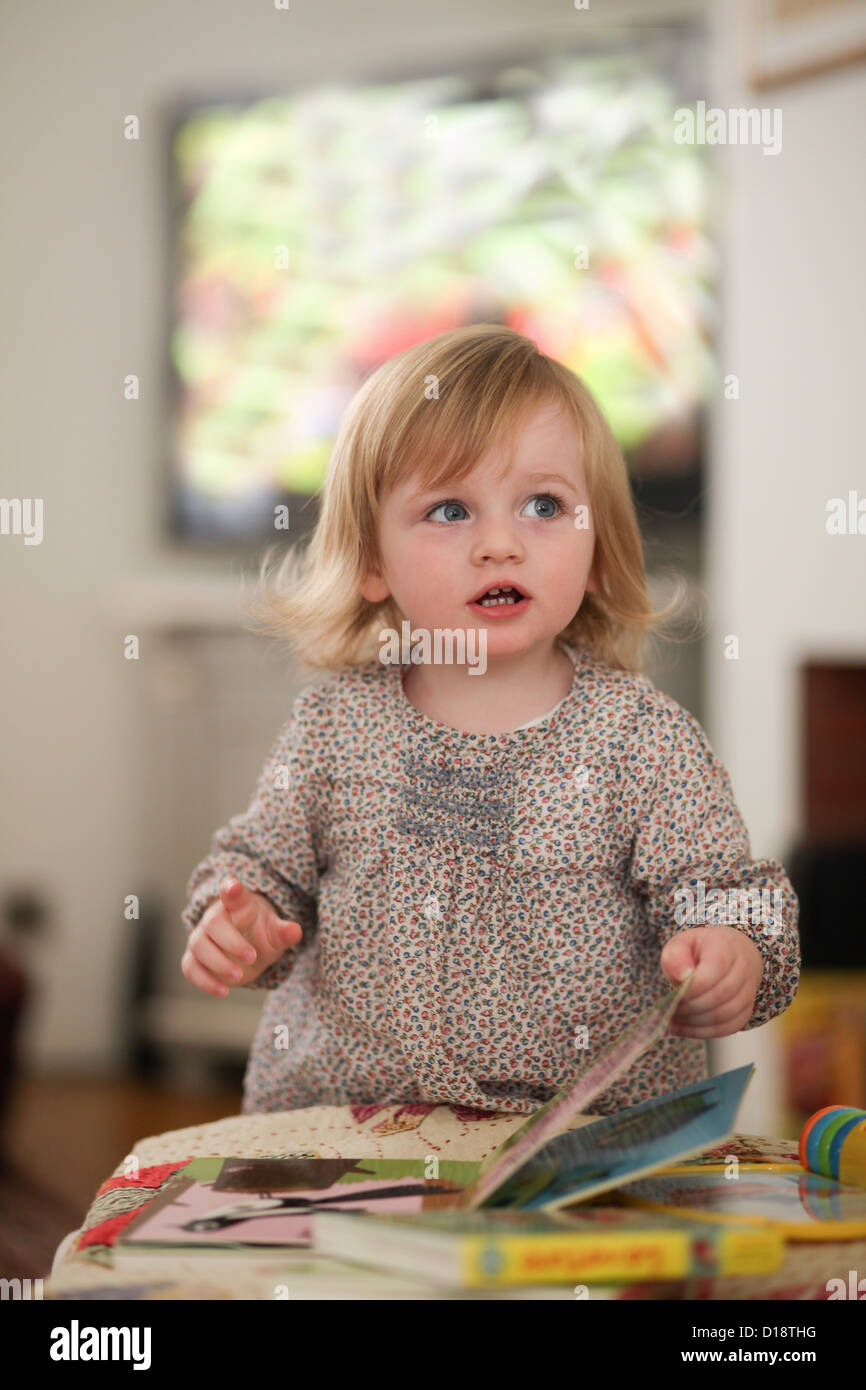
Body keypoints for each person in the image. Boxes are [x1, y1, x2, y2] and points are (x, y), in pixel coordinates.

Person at [180, 323, 800, 1116]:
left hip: (581, 1151)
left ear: (600, 546)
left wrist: (735, 949)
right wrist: (243, 924)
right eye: (449, 510)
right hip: (346, 1138)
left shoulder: (643, 740)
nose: (500, 544)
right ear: (373, 560)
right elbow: (260, 868)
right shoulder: (335, 729)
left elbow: (730, 892)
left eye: (544, 505)